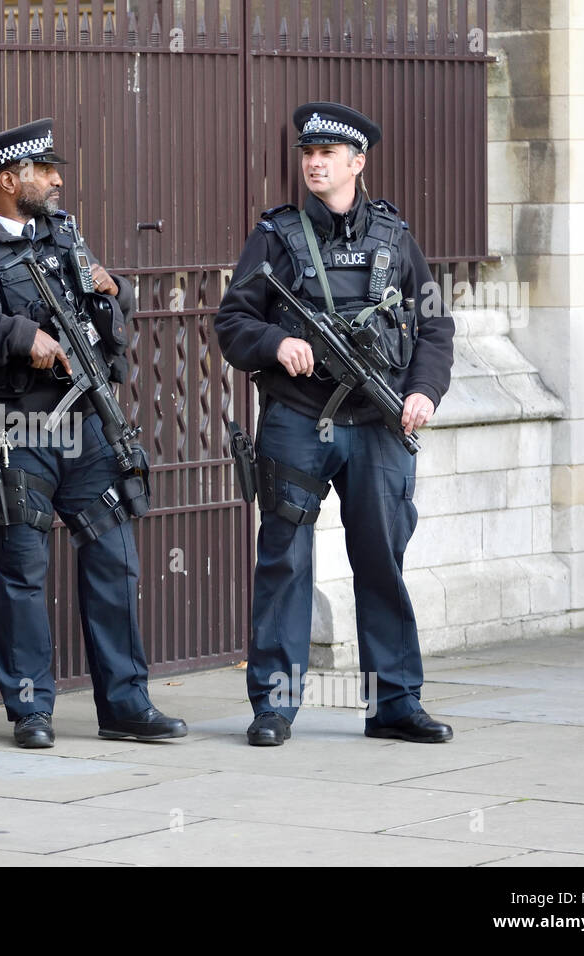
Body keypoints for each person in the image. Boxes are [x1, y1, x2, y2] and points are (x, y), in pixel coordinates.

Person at [0, 118, 187, 748]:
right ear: (10, 179)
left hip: (87, 427)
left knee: (114, 558)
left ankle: (126, 705)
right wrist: (21, 336)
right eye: (46, 171)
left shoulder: (64, 234)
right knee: (21, 568)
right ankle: (30, 711)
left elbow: (101, 310)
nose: (58, 179)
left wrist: (115, 289)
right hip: (15, 429)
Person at [213, 102, 456, 747]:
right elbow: (232, 322)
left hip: (379, 424)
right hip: (298, 419)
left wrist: (425, 392)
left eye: (327, 154)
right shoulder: (276, 235)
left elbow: (433, 325)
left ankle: (396, 704)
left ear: (358, 163)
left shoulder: (395, 237)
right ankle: (273, 707)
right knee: (285, 563)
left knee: (382, 561)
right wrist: (275, 346)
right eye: (307, 153)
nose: (314, 163)